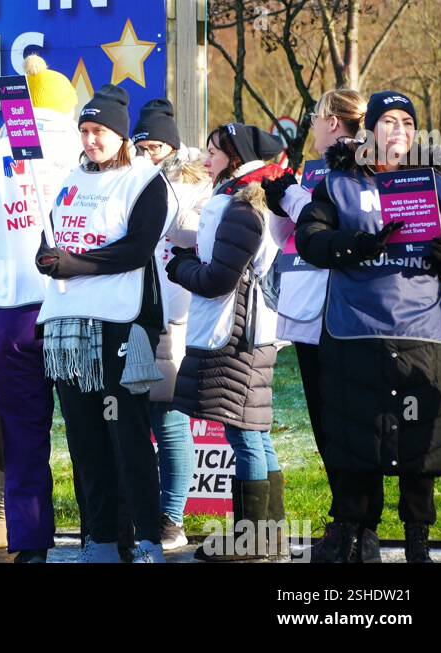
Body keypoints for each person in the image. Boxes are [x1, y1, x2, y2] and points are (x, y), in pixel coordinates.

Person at [295, 91, 441, 563]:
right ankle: (352, 536)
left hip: (422, 333)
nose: (400, 131)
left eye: (408, 123)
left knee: (419, 445)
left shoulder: (438, 186)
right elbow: (311, 238)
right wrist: (355, 244)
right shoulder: (339, 184)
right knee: (355, 440)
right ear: (367, 130)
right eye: (388, 121)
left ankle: (417, 545)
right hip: (354, 332)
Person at [35, 84, 173, 563]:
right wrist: (48, 258)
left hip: (125, 322)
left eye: (100, 131)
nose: (91, 139)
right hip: (70, 325)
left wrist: (78, 264)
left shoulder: (145, 179)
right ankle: (102, 537)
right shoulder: (71, 177)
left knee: (128, 435)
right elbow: (51, 234)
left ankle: (148, 538)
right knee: (85, 436)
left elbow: (138, 247)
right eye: (85, 130)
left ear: (120, 135)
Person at [0, 54, 81, 561]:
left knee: (24, 434)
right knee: (90, 432)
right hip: (76, 306)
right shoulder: (84, 146)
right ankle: (101, 534)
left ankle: (30, 543)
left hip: (11, 311)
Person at [166, 123, 286, 561]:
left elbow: (218, 279)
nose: (206, 157)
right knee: (256, 431)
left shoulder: (240, 207)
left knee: (244, 434)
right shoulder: (249, 200)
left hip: (235, 334)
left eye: (215, 151)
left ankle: (252, 539)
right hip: (252, 332)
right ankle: (267, 535)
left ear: (236, 157)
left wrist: (179, 268)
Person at [261, 88, 367, 560]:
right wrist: (278, 201)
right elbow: (294, 233)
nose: (314, 123)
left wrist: (295, 196)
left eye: (318, 116)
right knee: (324, 425)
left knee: (347, 425)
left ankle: (356, 526)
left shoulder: (358, 165)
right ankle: (342, 521)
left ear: (334, 121)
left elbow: (338, 223)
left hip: (344, 310)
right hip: (305, 311)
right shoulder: (314, 166)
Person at [130, 98, 212, 550]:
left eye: (157, 145)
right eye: (142, 145)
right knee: (136, 417)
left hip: (175, 316)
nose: (148, 153)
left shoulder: (192, 185)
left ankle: (172, 518)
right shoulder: (130, 180)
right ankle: (142, 512)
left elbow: (198, 241)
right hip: (133, 314)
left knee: (170, 418)